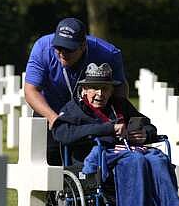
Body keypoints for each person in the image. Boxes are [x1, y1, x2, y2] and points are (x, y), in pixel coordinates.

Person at [51, 62, 179, 206]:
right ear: (84, 89)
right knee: (136, 161)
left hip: (129, 154)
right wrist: (107, 129)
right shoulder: (74, 109)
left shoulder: (119, 105)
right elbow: (61, 133)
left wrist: (145, 134)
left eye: (105, 89)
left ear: (111, 90)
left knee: (158, 160)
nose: (100, 94)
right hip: (96, 162)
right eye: (94, 88)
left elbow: (149, 126)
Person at [24, 17, 128, 165]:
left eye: (69, 49)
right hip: (50, 108)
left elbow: (119, 88)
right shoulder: (42, 48)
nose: (62, 53)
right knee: (49, 161)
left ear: (83, 46)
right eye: (58, 48)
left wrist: (119, 117)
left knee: (87, 161)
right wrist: (54, 119)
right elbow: (31, 90)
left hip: (90, 114)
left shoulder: (108, 54)